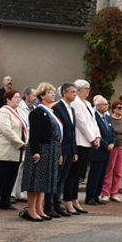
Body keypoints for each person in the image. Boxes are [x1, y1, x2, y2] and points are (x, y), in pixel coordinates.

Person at [20, 83, 59, 222]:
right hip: (40, 148)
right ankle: (31, 210)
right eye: (49, 92)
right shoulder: (37, 112)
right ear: (42, 95)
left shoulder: (51, 112)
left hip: (50, 148)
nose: (53, 95)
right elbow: (34, 134)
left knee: (43, 181)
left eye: (53, 92)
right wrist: (35, 151)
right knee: (35, 181)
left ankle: (39, 208)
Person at [62, 79, 99, 213]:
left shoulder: (87, 103)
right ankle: (67, 199)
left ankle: (74, 199)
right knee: (73, 173)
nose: (88, 91)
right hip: (80, 141)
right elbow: (81, 123)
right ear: (78, 90)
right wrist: (92, 138)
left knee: (79, 174)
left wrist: (97, 136)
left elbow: (93, 121)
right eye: (85, 88)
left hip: (88, 141)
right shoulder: (76, 103)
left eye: (89, 88)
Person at [0, 89, 26, 210]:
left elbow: (24, 129)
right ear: (8, 99)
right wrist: (21, 143)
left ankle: (6, 201)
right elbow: (7, 130)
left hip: (14, 152)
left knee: (10, 179)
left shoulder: (18, 112)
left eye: (19, 97)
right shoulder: (3, 112)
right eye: (15, 97)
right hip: (2, 152)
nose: (18, 100)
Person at [51, 83, 78, 217]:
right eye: (72, 92)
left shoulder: (71, 109)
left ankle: (58, 203)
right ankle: (53, 204)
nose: (75, 94)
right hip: (61, 149)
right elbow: (58, 131)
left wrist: (74, 151)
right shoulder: (57, 108)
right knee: (57, 178)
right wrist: (60, 151)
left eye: (75, 92)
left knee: (63, 178)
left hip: (69, 149)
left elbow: (72, 131)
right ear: (64, 93)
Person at [84, 95, 114, 206]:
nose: (106, 106)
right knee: (94, 175)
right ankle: (90, 197)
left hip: (107, 151)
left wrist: (113, 143)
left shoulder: (107, 117)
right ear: (97, 106)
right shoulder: (94, 117)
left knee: (101, 175)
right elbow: (97, 134)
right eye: (104, 104)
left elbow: (112, 132)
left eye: (107, 104)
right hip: (98, 150)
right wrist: (106, 146)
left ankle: (96, 196)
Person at [12, 86, 36, 203]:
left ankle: (20, 192)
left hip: (30, 140)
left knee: (24, 168)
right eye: (33, 95)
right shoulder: (19, 108)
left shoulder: (34, 108)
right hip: (21, 140)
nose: (35, 97)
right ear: (26, 95)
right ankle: (12, 193)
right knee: (17, 167)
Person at [100, 100, 122, 203]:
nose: (121, 109)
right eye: (119, 107)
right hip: (113, 146)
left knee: (119, 171)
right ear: (114, 109)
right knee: (109, 169)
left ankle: (114, 193)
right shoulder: (109, 119)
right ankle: (105, 193)